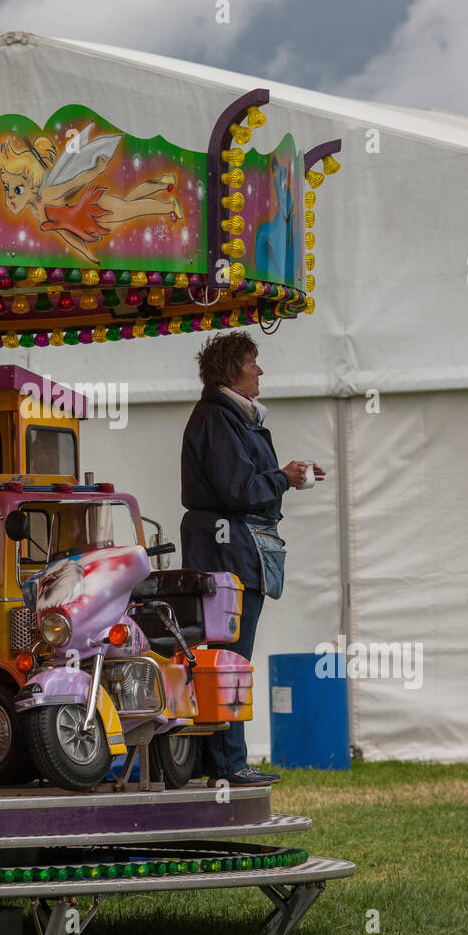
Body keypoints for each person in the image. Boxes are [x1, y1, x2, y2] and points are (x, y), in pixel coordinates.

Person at [179, 331, 324, 787]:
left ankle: (219, 759)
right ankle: (227, 763)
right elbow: (239, 490)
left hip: (231, 546)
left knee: (225, 654)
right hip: (230, 550)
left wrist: (287, 477)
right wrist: (281, 477)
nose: (260, 370)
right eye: (253, 363)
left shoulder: (229, 418)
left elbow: (246, 482)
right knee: (231, 656)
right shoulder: (219, 420)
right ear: (232, 372)